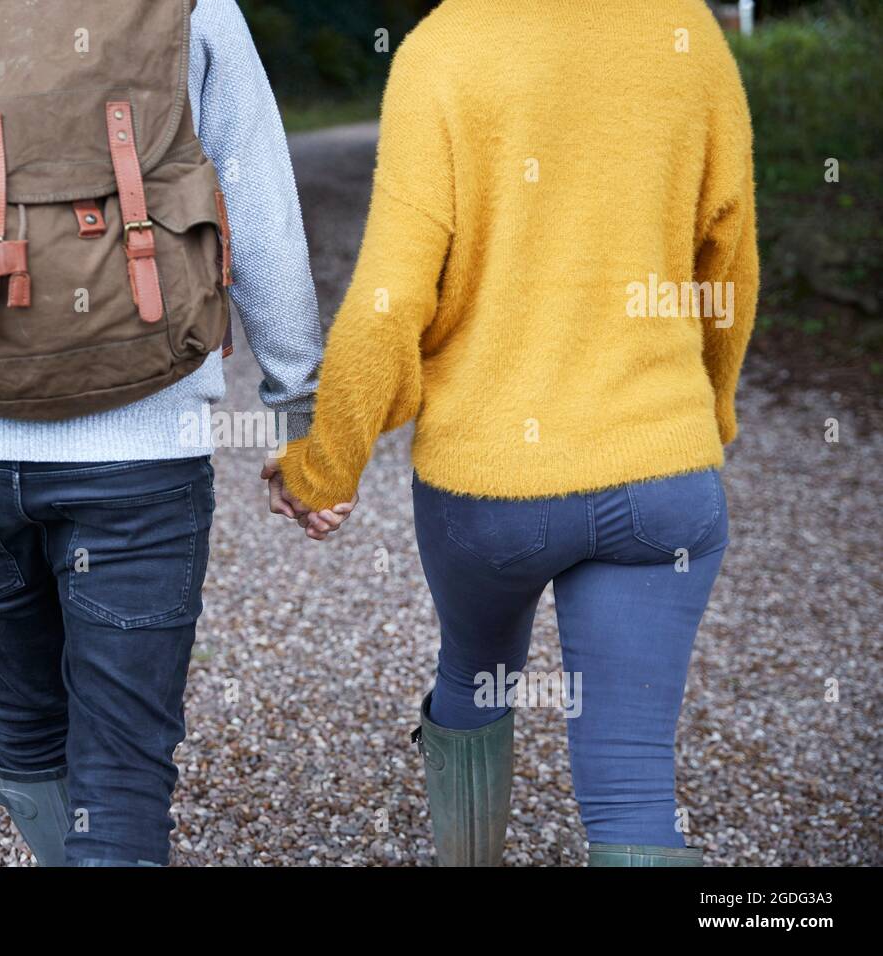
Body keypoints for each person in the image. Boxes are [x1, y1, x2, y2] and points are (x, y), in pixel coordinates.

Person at [0, 0, 324, 867]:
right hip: (146, 451)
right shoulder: (199, 8)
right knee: (122, 777)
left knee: (32, 729)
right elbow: (264, 210)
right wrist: (298, 413)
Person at [277, 0, 758, 867]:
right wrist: (707, 415)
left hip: (490, 487)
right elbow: (729, 261)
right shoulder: (689, 36)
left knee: (475, 673)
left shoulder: (444, 49)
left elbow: (389, 301)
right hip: (662, 478)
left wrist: (325, 465)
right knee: (635, 784)